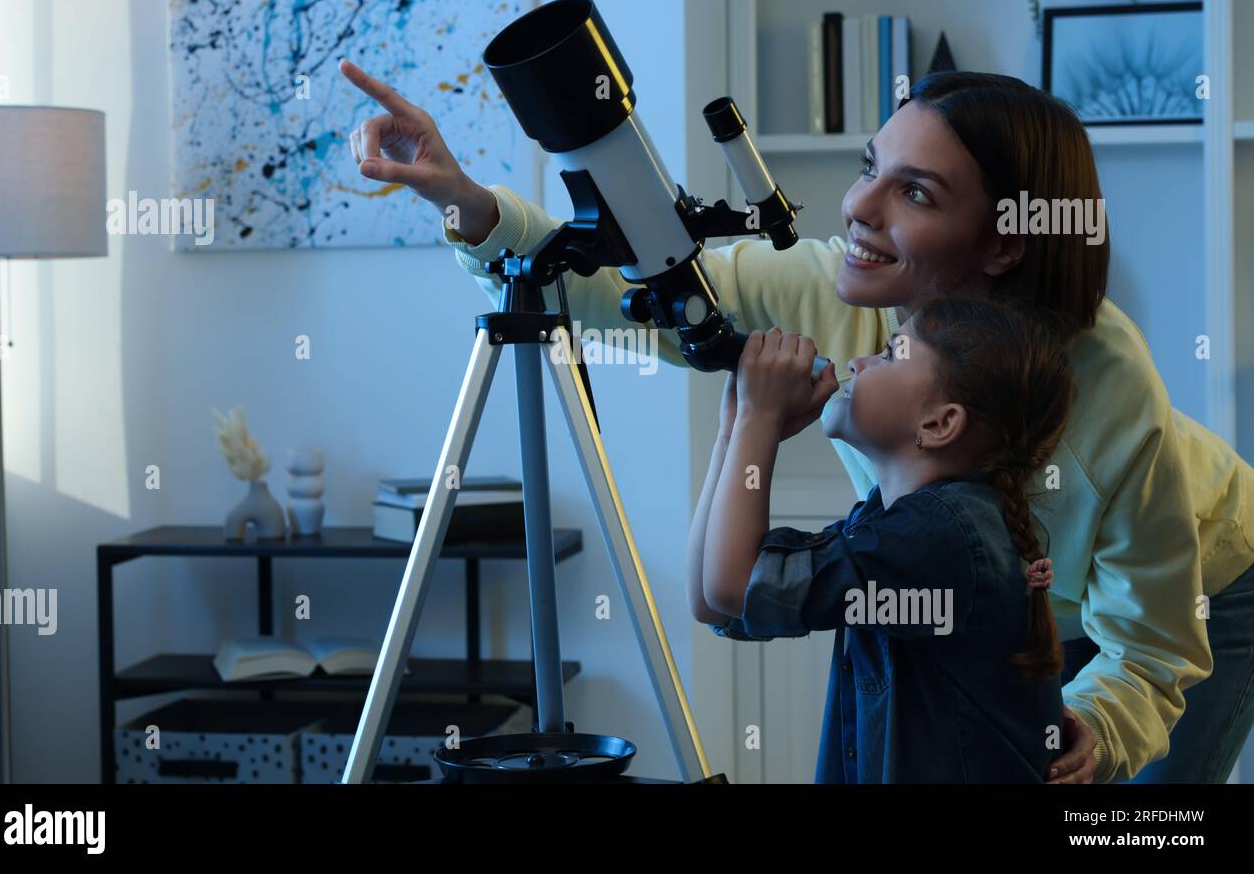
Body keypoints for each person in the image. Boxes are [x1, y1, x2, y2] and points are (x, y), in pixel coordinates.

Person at [339, 59, 1254, 784]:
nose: (858, 207)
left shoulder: (1103, 379)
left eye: (917, 193)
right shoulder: (833, 288)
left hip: (1203, 586)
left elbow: (1155, 637)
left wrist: (1102, 725)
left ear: (1007, 240)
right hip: (1005, 594)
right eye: (870, 169)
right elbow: (627, 293)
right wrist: (463, 198)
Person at [689, 299, 1072, 781]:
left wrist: (758, 421)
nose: (857, 363)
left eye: (890, 355)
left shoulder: (942, 534)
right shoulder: (890, 521)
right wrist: (733, 429)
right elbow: (717, 604)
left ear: (938, 424)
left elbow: (733, 586)